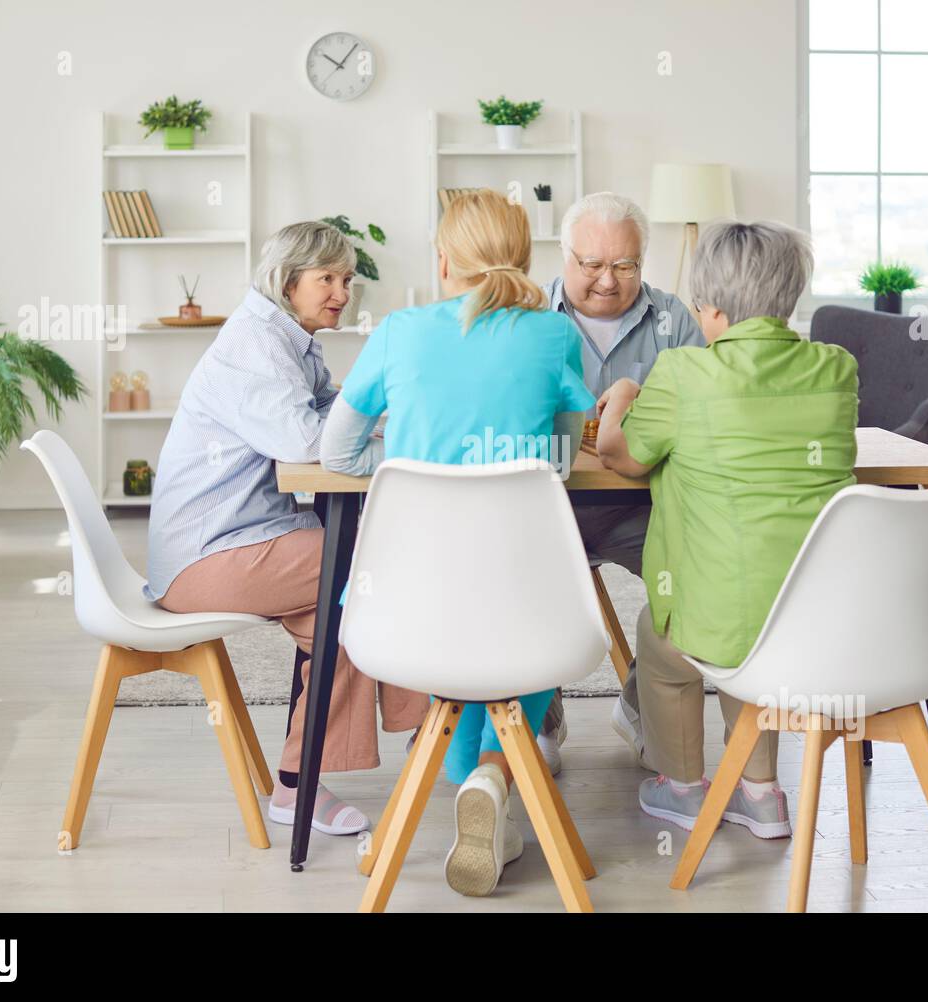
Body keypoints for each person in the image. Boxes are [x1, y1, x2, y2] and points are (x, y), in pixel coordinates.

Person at [321, 189, 597, 897]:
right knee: (521, 610)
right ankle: (495, 776)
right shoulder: (554, 334)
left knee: (469, 631)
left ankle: (474, 780)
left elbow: (335, 451)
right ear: (525, 258)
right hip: (522, 603)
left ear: (445, 260)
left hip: (412, 609)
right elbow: (559, 463)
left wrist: (398, 459)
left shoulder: (401, 332)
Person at [146, 221, 429, 837]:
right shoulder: (253, 346)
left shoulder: (289, 338)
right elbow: (305, 443)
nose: (341, 292)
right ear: (288, 279)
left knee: (347, 605)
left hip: (241, 538)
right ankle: (422, 727)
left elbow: (329, 408)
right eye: (327, 278)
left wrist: (377, 411)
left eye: (347, 279)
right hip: (208, 554)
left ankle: (304, 781)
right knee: (364, 571)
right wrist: (383, 428)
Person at [594, 221, 858, 836]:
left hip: (720, 620)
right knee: (755, 631)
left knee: (665, 646)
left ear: (708, 307)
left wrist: (627, 391)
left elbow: (621, 455)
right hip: (816, 617)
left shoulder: (685, 374)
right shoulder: (837, 368)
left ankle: (682, 788)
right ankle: (762, 792)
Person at [539, 191, 704, 772]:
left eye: (625, 266)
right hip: (544, 509)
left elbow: (701, 415)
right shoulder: (527, 314)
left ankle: (640, 706)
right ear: (564, 257)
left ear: (643, 263)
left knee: (696, 578)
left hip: (642, 509)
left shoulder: (673, 319)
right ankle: (541, 716)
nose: (607, 281)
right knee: (510, 575)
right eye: (591, 265)